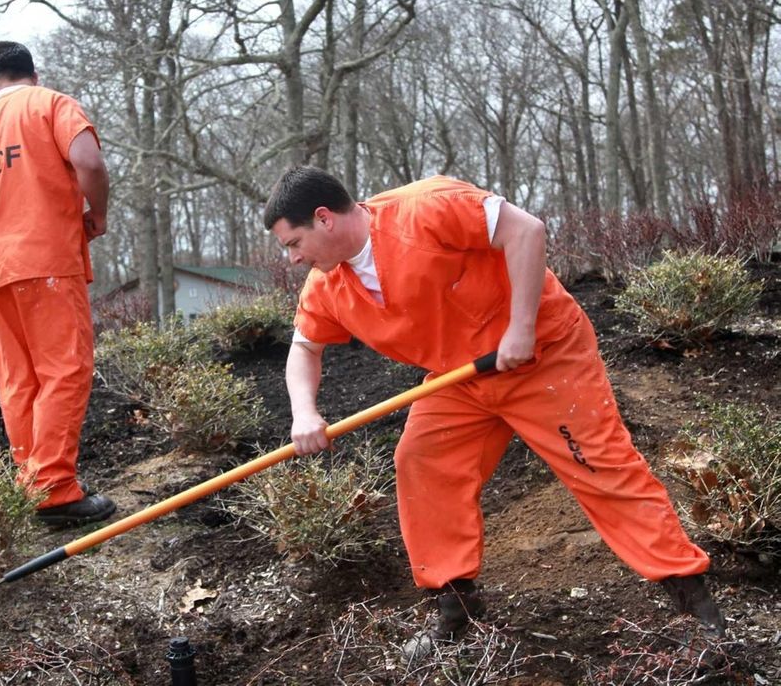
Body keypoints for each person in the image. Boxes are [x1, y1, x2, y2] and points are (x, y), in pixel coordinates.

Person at [264, 166, 726, 658]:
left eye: (294, 243)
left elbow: (526, 229)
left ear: (324, 219)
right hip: (459, 378)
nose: (293, 259)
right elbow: (304, 349)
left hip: (542, 355)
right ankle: (455, 607)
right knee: (422, 463)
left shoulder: (426, 208)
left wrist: (521, 328)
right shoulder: (327, 285)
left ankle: (695, 604)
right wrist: (304, 413)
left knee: (599, 464)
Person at [0, 42, 115, 527]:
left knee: (18, 379)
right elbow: (88, 161)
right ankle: (55, 491)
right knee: (65, 369)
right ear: (34, 73)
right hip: (46, 260)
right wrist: (99, 214)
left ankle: (31, 482)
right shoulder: (51, 105)